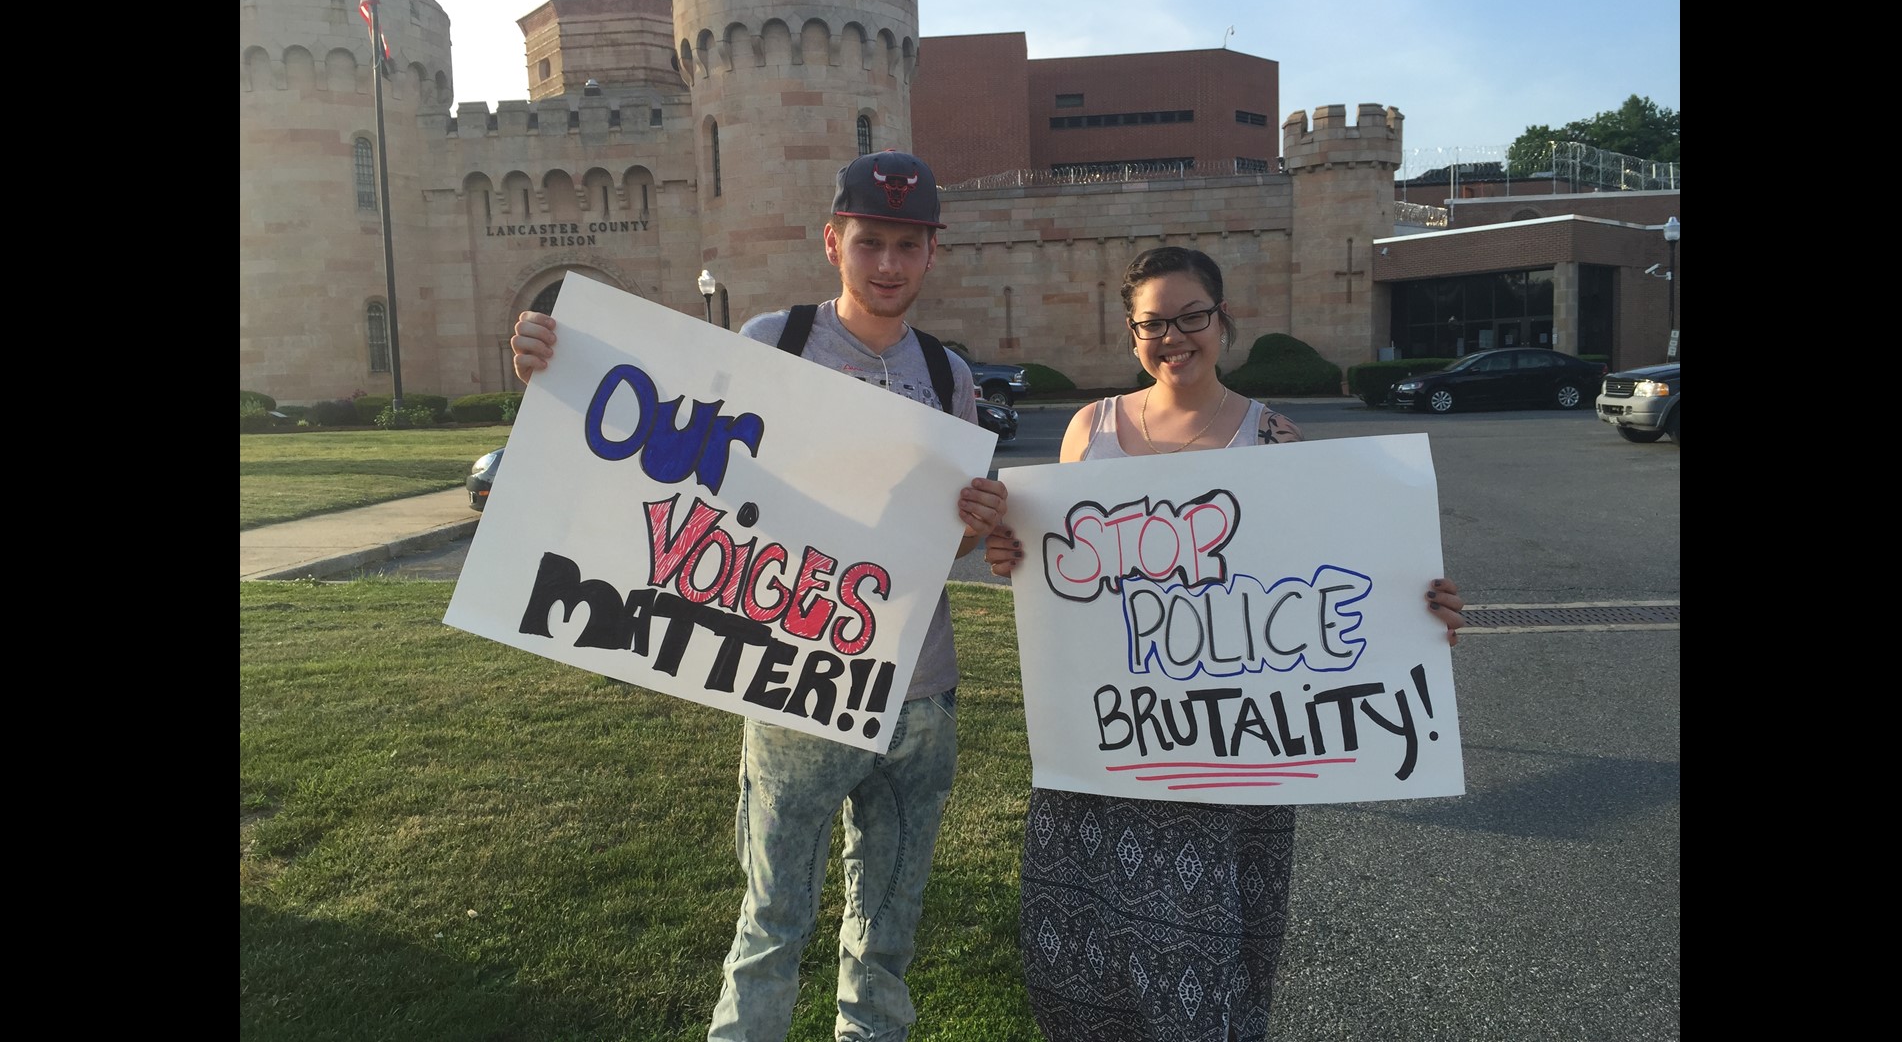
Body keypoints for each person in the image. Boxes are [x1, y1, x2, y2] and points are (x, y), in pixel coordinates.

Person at [508, 150, 1009, 1042]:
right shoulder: (774, 343)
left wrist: (974, 520)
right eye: (869, 243)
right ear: (833, 242)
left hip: (918, 690)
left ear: (933, 253)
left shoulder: (949, 376)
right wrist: (558, 365)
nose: (888, 264)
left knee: (886, 936)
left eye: (907, 245)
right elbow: (660, 434)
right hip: (794, 682)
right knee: (773, 924)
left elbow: (949, 541)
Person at [983, 246, 1466, 1042]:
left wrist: (1415, 613)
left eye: (1191, 317)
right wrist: (1015, 557)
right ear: (1132, 333)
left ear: (1223, 319)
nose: (1174, 337)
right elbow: (1064, 575)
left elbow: (1334, 576)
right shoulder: (1088, 430)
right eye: (1152, 324)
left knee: (1201, 974)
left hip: (1226, 755)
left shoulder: (1272, 439)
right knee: (1082, 962)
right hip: (1106, 746)